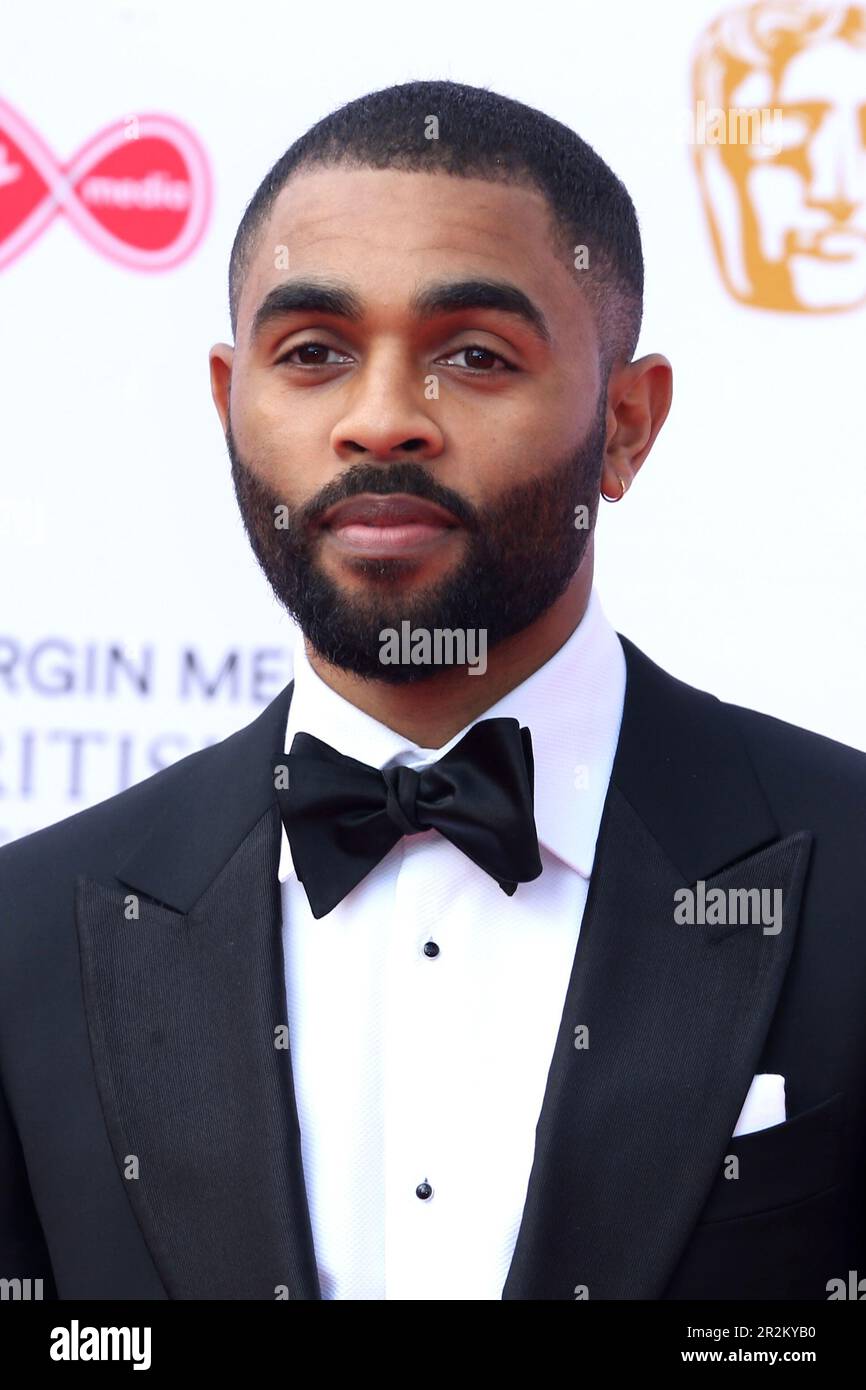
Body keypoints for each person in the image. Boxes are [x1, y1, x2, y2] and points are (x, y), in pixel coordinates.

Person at [1, 80, 863, 1302]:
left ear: (624, 424)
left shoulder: (847, 872)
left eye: (472, 354)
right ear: (227, 403)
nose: (382, 420)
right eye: (312, 354)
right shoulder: (26, 934)